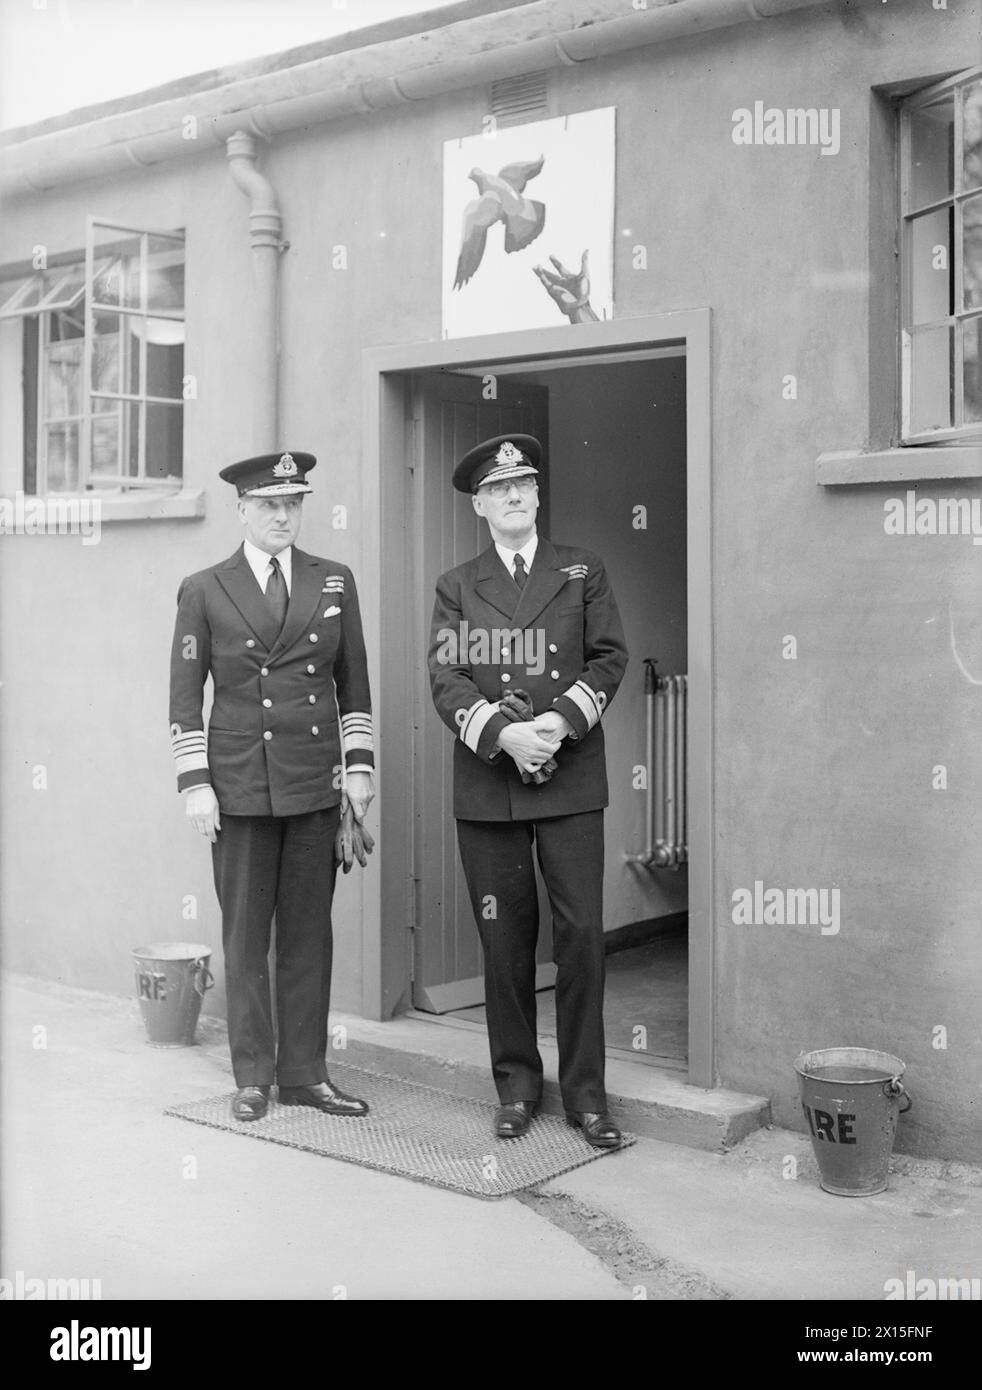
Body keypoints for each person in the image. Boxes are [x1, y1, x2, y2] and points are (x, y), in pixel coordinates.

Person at [427, 435, 628, 1147]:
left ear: (538, 496)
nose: (514, 495)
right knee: (504, 940)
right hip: (490, 786)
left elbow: (609, 659)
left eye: (525, 484)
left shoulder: (581, 571)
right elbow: (445, 680)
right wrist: (500, 734)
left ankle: (586, 1096)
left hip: (570, 778)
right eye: (499, 487)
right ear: (480, 504)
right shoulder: (457, 585)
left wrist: (555, 723)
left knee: (579, 939)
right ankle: (515, 1087)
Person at [169, 450, 374, 1121]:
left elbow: (353, 686)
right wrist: (195, 784)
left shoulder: (334, 581)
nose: (283, 515)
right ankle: (253, 1075)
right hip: (238, 790)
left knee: (310, 936)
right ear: (242, 510)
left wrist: (361, 770)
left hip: (316, 787)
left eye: (293, 503)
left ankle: (306, 1074)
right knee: (246, 936)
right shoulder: (204, 588)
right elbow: (183, 699)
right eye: (268, 505)